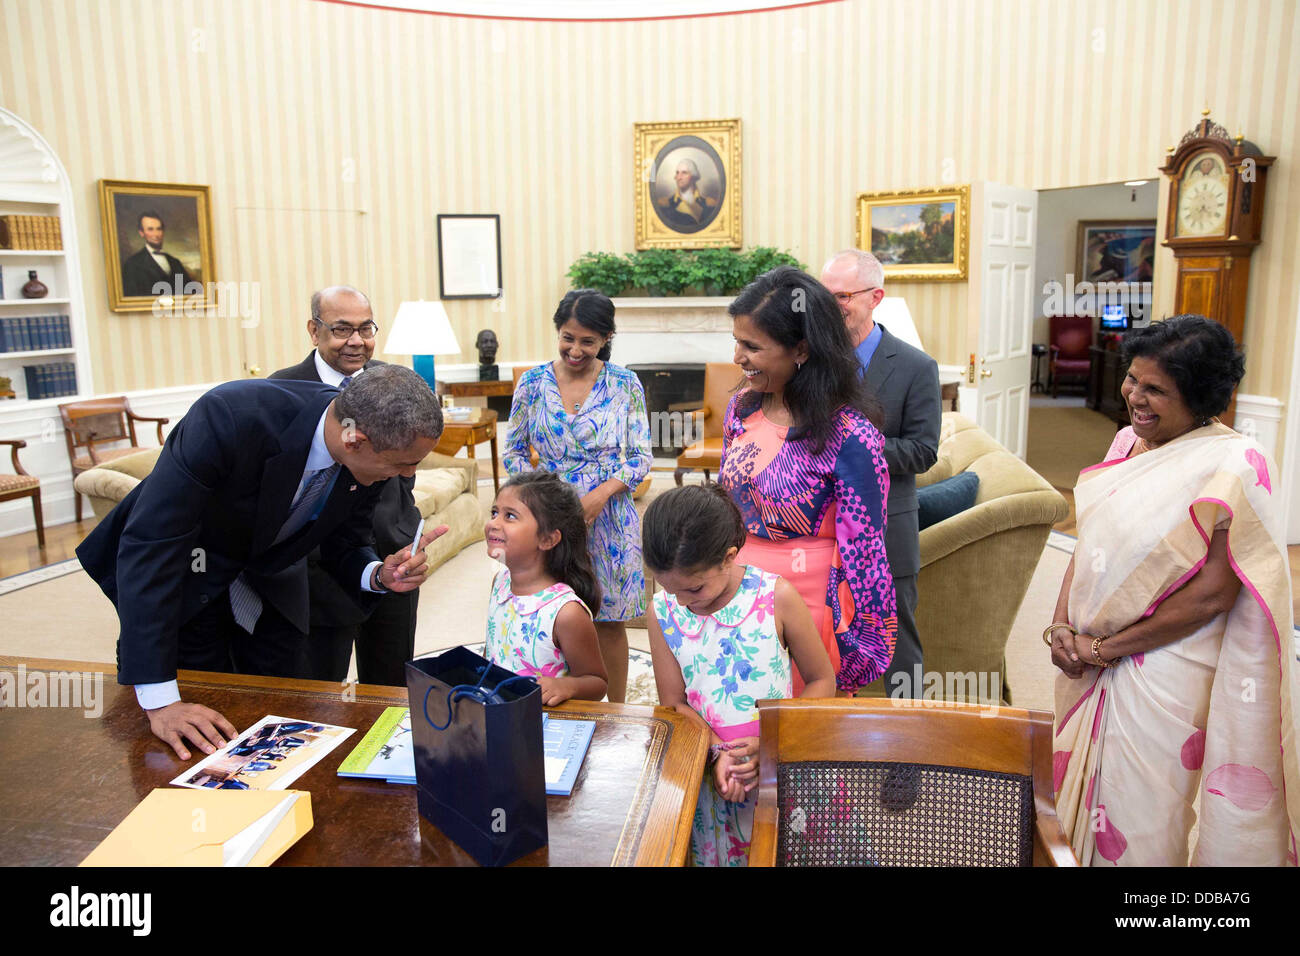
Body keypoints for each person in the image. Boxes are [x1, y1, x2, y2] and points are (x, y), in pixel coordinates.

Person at [76, 365, 448, 760]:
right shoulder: (229, 416)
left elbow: (347, 540)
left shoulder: (367, 461)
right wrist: (160, 700)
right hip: (187, 576)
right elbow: (153, 546)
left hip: (271, 581)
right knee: (188, 736)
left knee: (277, 721)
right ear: (355, 440)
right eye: (402, 464)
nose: (408, 475)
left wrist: (377, 573)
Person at [1049, 315, 1299, 865]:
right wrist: (1061, 624)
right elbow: (1090, 540)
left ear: (1201, 397)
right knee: (1067, 792)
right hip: (1087, 653)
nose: (1135, 396)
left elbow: (1212, 594)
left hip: (1167, 664)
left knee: (1141, 811)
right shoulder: (1126, 442)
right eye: (1133, 379)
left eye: (1156, 389)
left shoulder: (1235, 465)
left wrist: (1102, 650)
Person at [718, 265, 897, 693]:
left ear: (801, 350)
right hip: (735, 591)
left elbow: (867, 554)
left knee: (797, 737)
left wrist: (862, 648)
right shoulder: (741, 410)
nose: (737, 358)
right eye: (736, 342)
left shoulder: (851, 436)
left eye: (752, 347)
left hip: (809, 605)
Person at [644, 482, 835, 866]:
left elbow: (821, 680)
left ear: (729, 557)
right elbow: (674, 704)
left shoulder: (776, 596)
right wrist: (718, 755)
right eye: (669, 588)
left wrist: (772, 739)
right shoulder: (663, 611)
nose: (681, 601)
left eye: (694, 588)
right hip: (712, 772)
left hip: (783, 766)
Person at [269, 286, 423, 686]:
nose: (356, 341)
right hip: (318, 568)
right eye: (341, 329)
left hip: (393, 557)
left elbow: (408, 462)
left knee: (391, 686)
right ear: (313, 330)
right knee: (320, 686)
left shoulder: (397, 382)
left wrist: (403, 522)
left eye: (365, 328)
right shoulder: (282, 390)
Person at [505, 289, 652, 702]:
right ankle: (563, 705)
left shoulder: (625, 384)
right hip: (549, 523)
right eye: (568, 337)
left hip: (609, 522)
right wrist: (540, 499)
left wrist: (600, 495)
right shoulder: (532, 384)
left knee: (608, 621)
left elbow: (641, 456)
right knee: (556, 615)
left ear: (606, 338)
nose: (575, 349)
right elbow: (513, 450)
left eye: (588, 341)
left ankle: (618, 712)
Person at [820, 250, 939, 698]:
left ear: (876, 297)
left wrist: (855, 448)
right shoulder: (808, 363)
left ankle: (906, 750)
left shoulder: (916, 367)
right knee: (820, 628)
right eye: (825, 296)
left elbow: (924, 451)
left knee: (900, 641)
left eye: (843, 296)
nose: (833, 307)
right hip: (821, 523)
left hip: (889, 525)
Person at [483, 472, 608, 706]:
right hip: (499, 714)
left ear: (548, 540)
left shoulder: (565, 613)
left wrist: (565, 686)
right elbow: (493, 652)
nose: (493, 523)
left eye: (509, 516)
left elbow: (597, 683)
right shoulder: (499, 583)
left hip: (545, 725)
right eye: (494, 512)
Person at [121, 211, 196, 297]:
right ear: (141, 233)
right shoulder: (132, 264)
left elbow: (191, 293)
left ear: (163, 231)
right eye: (150, 229)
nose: (156, 234)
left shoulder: (175, 263)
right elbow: (131, 298)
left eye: (159, 229)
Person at [654, 157, 720, 233]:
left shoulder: (709, 204)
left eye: (684, 173)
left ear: (693, 176)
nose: (679, 177)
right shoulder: (665, 204)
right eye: (677, 173)